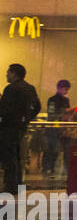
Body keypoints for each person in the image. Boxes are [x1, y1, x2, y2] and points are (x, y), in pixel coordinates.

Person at [0, 64, 41, 194]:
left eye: (8, 72)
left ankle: (10, 186)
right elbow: (37, 106)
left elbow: (4, 110)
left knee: (9, 157)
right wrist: (26, 118)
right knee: (17, 156)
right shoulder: (30, 88)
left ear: (14, 73)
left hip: (8, 127)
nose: (7, 74)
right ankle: (17, 184)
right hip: (21, 128)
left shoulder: (11, 89)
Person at [42, 80, 72, 177]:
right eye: (65, 89)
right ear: (59, 88)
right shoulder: (53, 100)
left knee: (54, 150)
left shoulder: (62, 100)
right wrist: (63, 113)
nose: (66, 91)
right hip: (54, 129)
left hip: (58, 128)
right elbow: (52, 114)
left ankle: (50, 169)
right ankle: (48, 168)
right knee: (51, 149)